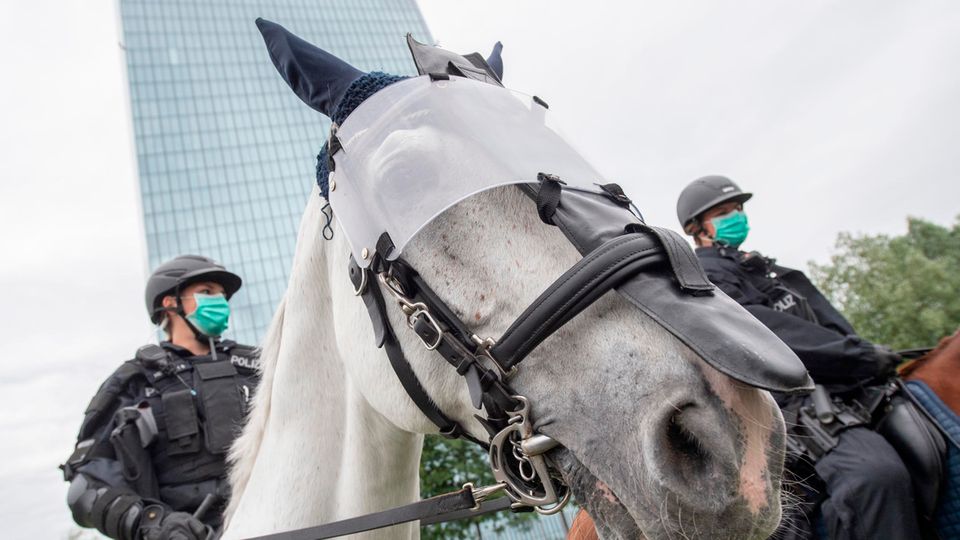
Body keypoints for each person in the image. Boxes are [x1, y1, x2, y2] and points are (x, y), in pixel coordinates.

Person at [676, 175, 919, 540]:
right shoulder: (707, 281)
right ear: (698, 229)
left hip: (850, 387)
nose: (736, 217)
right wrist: (860, 356)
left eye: (737, 209)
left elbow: (832, 328)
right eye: (723, 213)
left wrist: (868, 357)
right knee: (873, 477)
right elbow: (770, 335)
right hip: (794, 405)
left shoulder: (772, 272)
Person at [61, 255, 260, 540]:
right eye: (206, 292)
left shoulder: (260, 364)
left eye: (222, 295)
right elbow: (85, 490)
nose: (220, 302)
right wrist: (153, 523)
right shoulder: (134, 381)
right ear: (170, 303)